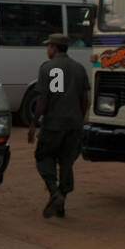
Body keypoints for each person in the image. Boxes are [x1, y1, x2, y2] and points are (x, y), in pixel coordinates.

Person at [28, 33, 90, 218]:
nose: (47, 50)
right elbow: (84, 99)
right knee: (66, 162)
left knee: (43, 157)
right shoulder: (79, 68)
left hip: (53, 124)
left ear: (54, 48)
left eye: (49, 46)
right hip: (74, 124)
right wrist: (79, 120)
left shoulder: (48, 67)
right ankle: (61, 202)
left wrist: (34, 123)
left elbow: (44, 99)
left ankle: (54, 192)